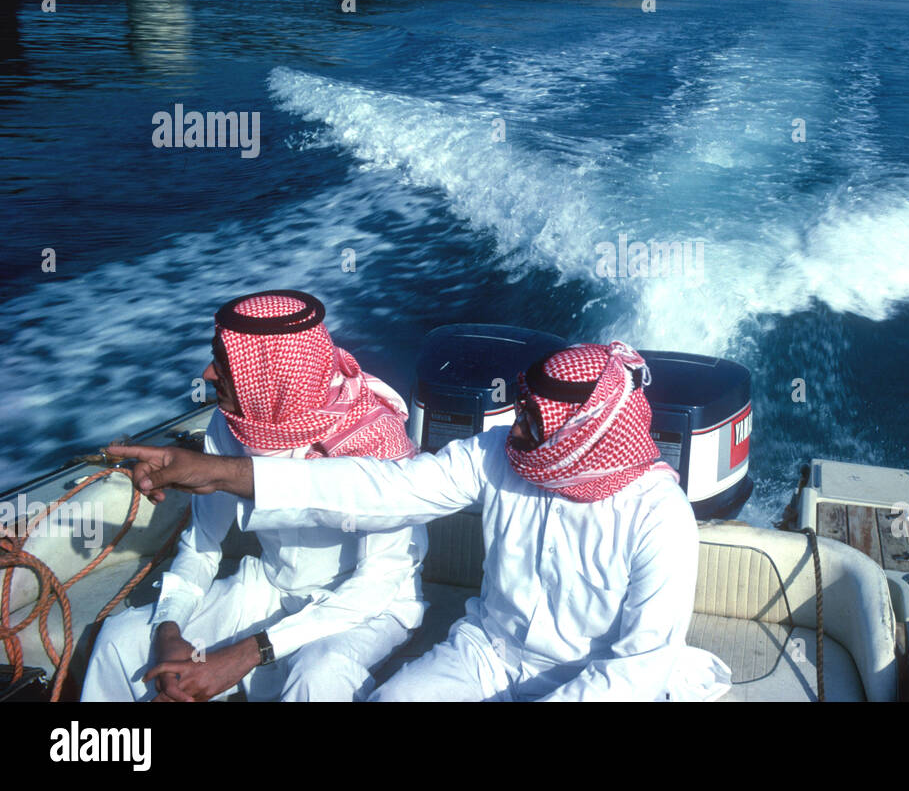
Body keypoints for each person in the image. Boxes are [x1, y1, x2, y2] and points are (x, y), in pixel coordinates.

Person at [116, 340, 731, 701]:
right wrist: (217, 473)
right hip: (488, 651)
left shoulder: (660, 517)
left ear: (583, 434)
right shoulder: (503, 458)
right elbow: (382, 490)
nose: (511, 426)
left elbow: (631, 674)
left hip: (593, 681)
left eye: (529, 419)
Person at [83, 290, 428, 702]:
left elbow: (375, 586)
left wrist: (246, 654)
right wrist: (169, 628)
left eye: (223, 364)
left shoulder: (377, 440)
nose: (208, 374)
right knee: (120, 641)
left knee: (317, 676)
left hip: (369, 606)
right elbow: (202, 543)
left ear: (268, 376)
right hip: (271, 586)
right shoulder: (230, 425)